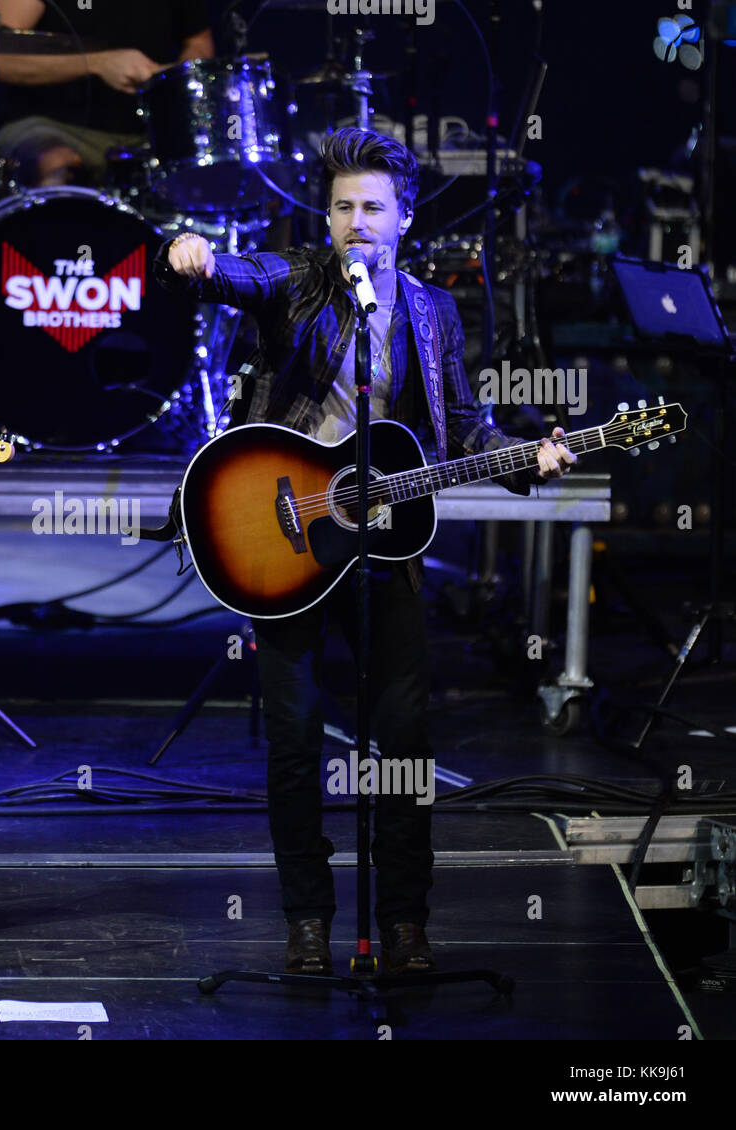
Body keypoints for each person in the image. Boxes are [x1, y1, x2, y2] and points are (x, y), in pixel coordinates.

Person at [154, 127, 576, 975]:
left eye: (373, 208)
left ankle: (406, 926)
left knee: (404, 736)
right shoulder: (300, 281)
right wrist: (196, 259)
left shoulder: (432, 311)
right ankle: (308, 922)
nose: (356, 222)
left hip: (384, 551)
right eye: (343, 207)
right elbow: (246, 275)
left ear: (405, 219)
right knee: (297, 733)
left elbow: (461, 429)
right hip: (286, 546)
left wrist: (529, 456)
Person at [0, 0, 214, 187]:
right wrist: (97, 63)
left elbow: (198, 41)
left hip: (149, 132)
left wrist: (177, 78)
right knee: (56, 164)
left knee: (210, 167)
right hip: (47, 124)